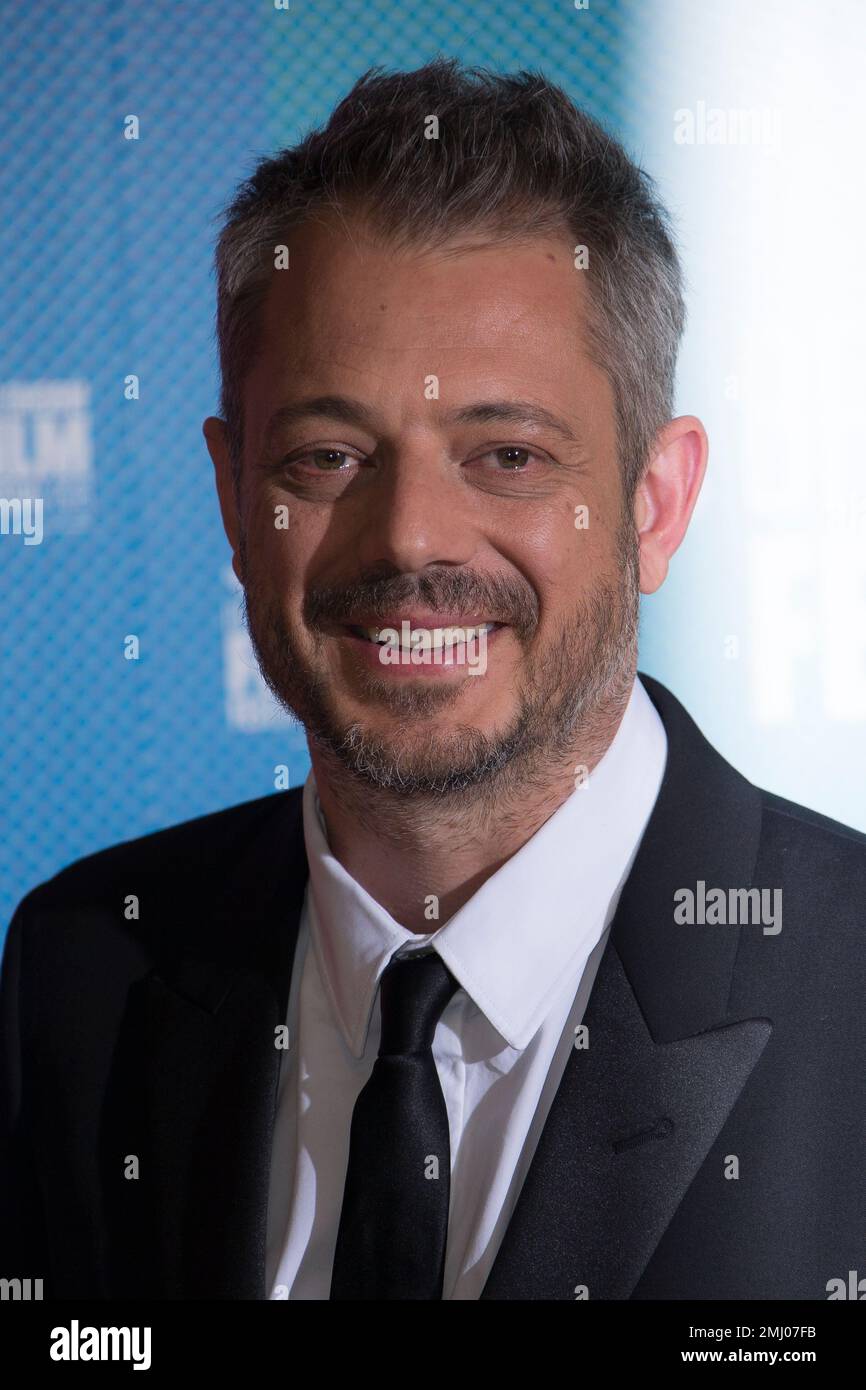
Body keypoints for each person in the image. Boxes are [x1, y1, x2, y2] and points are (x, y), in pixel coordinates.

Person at [2, 58, 864, 1302]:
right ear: (235, 499)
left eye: (506, 454)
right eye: (329, 453)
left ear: (654, 504)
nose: (410, 536)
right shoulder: (82, 970)